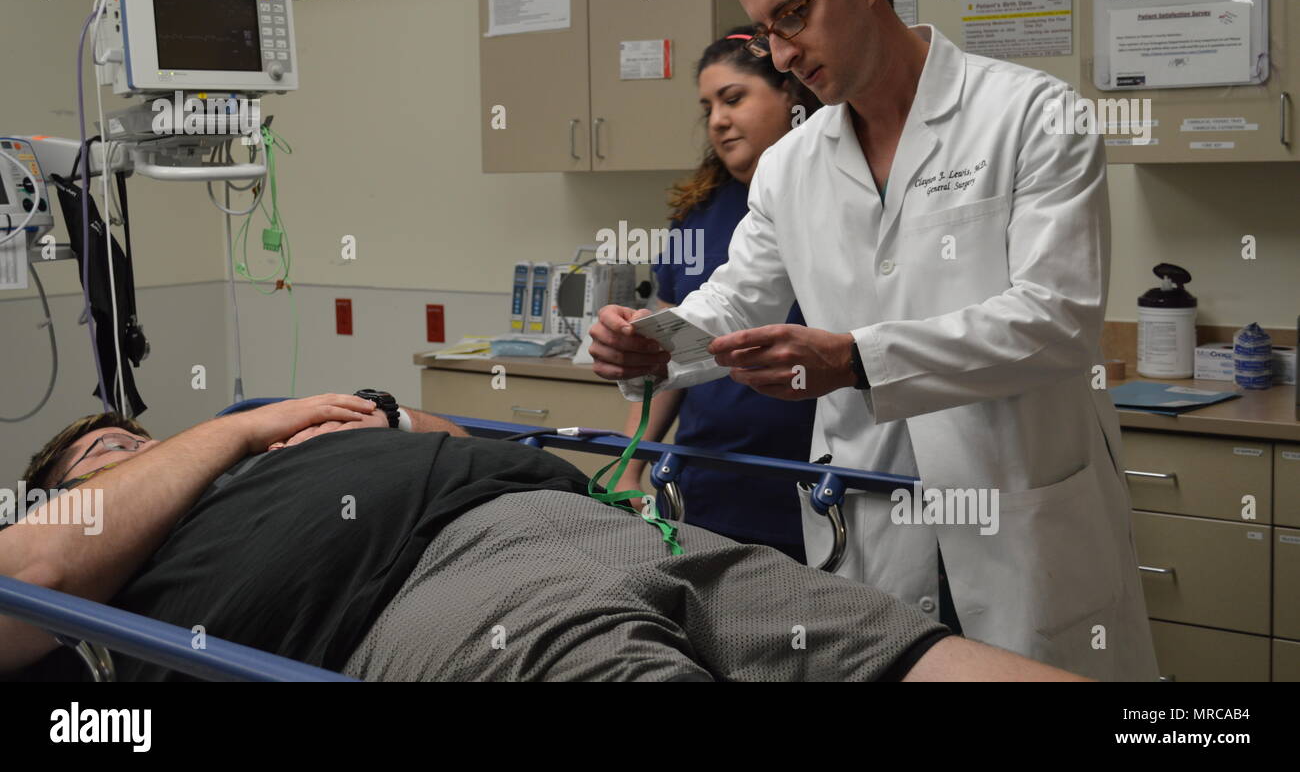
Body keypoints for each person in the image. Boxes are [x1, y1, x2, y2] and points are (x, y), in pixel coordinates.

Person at [586, 0, 1158, 681]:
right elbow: (734, 301)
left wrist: (855, 360)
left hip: (1018, 510)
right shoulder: (792, 163)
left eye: (795, 15)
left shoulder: (1031, 115)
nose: (782, 54)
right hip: (872, 521)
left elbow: (1055, 321)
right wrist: (653, 344)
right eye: (765, 31)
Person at [1, 399, 1085, 682]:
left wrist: (371, 417)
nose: (130, 453)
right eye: (104, 452)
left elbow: (428, 433)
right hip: (418, 598)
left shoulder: (284, 438)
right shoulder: (99, 539)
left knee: (884, 646)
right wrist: (223, 430)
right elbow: (22, 587)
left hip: (573, 517)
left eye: (130, 440)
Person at [613, 28, 821, 561]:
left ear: (792, 96)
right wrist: (630, 463)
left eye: (734, 98)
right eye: (708, 107)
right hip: (704, 480)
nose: (718, 120)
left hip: (810, 481)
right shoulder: (697, 216)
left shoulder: (836, 197)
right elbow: (671, 348)